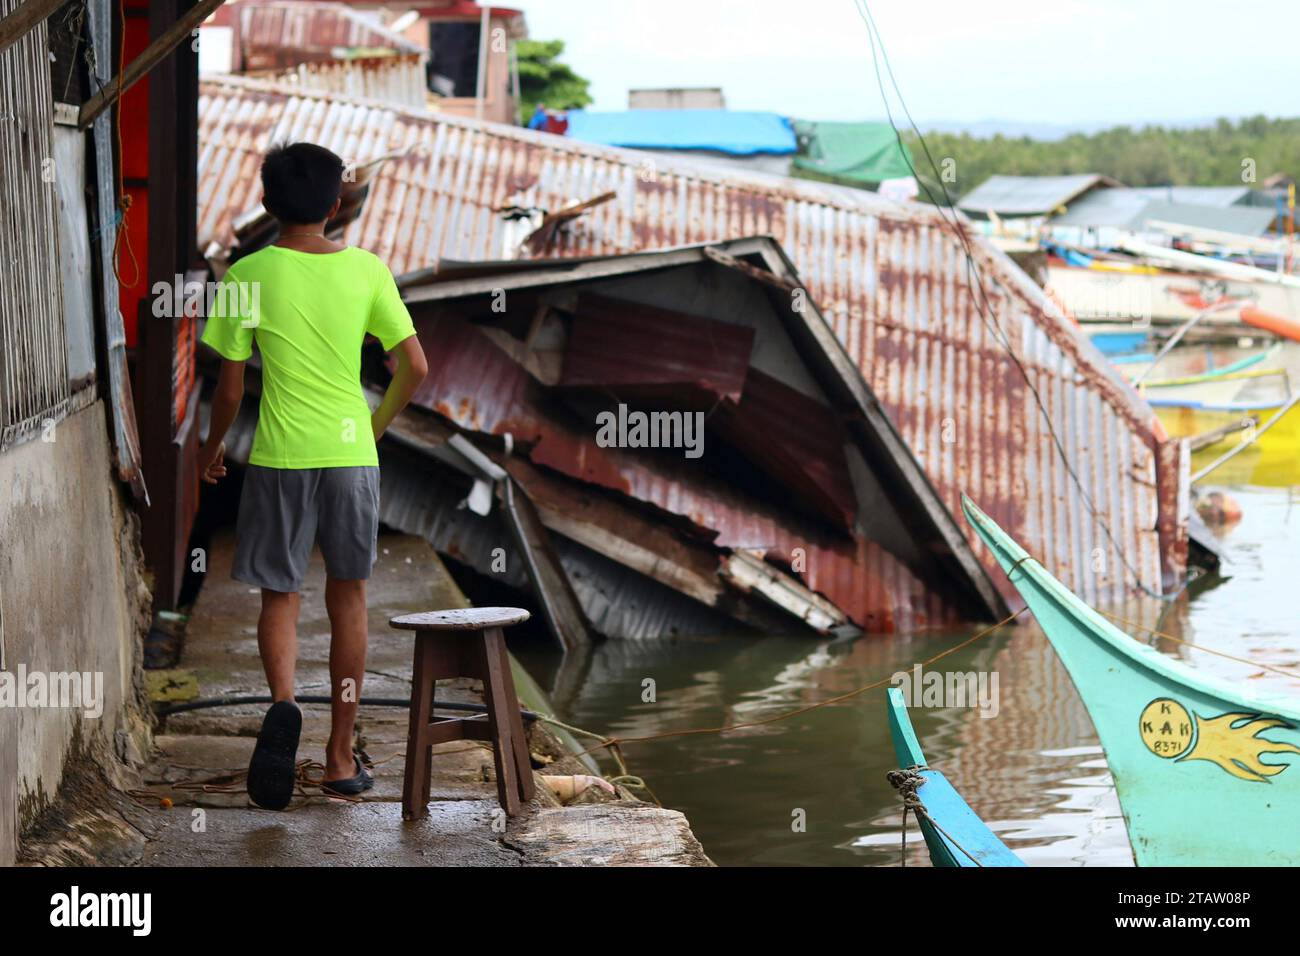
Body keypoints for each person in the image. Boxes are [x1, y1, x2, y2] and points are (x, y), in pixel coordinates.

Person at [197, 142, 428, 810]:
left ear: (268, 204)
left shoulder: (247, 272)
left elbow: (231, 386)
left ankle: (283, 707)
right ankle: (337, 757)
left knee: (281, 594)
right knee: (350, 597)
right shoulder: (367, 270)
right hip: (352, 453)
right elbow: (416, 366)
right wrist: (373, 427)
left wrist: (212, 448)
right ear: (336, 204)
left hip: (279, 457)